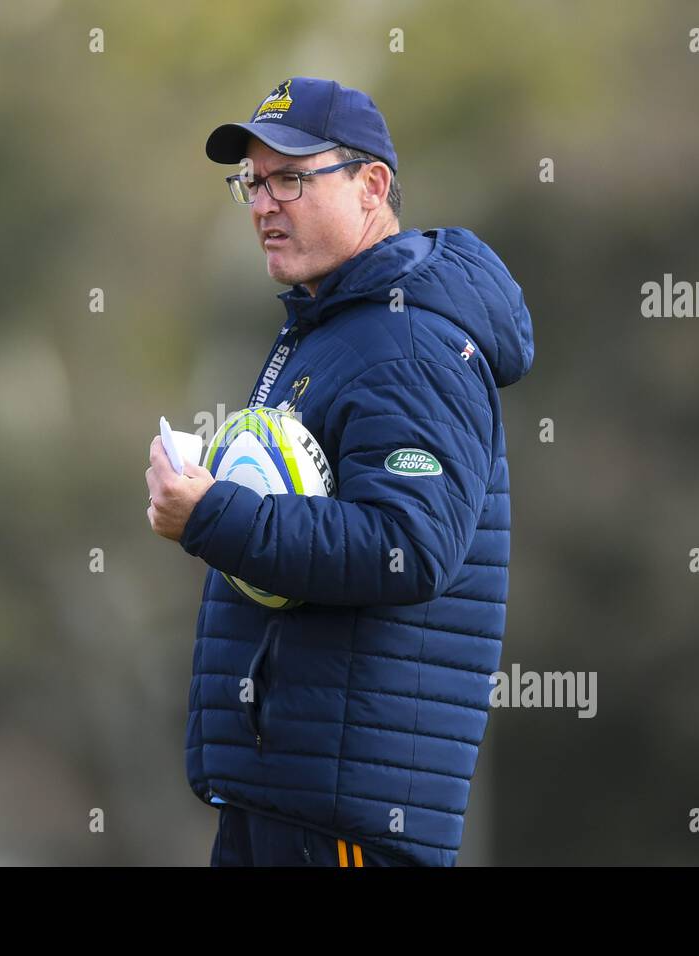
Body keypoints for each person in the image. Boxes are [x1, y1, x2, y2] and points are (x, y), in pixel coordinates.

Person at [145, 77, 535, 866]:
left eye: (290, 177)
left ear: (373, 186)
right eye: (252, 182)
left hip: (348, 824)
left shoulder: (410, 344)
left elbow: (408, 543)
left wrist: (213, 516)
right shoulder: (331, 327)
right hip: (286, 797)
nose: (263, 204)